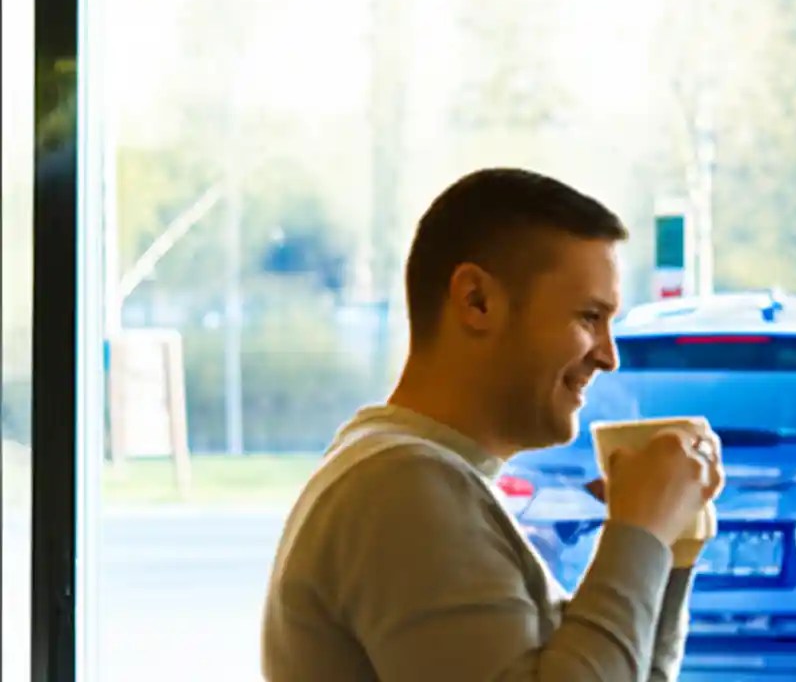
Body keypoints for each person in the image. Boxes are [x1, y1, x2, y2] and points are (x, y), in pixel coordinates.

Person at [261, 168, 725, 681]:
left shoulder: (414, 472)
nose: (609, 356)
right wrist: (638, 533)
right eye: (588, 317)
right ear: (476, 301)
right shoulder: (403, 488)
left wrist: (670, 547)